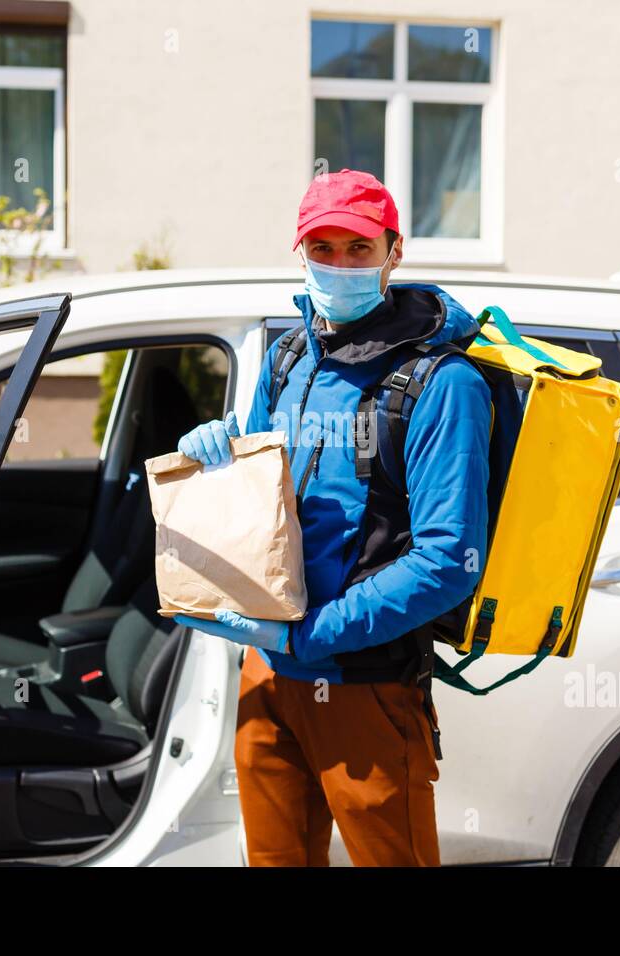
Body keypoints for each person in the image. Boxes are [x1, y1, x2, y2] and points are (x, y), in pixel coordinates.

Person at [173, 169, 492, 866]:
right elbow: (260, 498)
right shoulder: (288, 357)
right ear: (300, 252)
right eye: (324, 247)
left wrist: (313, 635)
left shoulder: (442, 384)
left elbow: (448, 562)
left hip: (366, 687)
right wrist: (222, 456)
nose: (340, 263)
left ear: (394, 254)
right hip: (268, 675)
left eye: (359, 247)